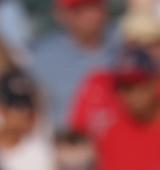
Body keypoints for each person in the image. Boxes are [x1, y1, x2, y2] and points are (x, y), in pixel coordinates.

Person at [31, 0, 113, 128]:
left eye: (95, 7)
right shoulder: (44, 57)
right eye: (78, 10)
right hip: (68, 142)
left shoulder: (127, 47)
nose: (90, 15)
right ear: (60, 14)